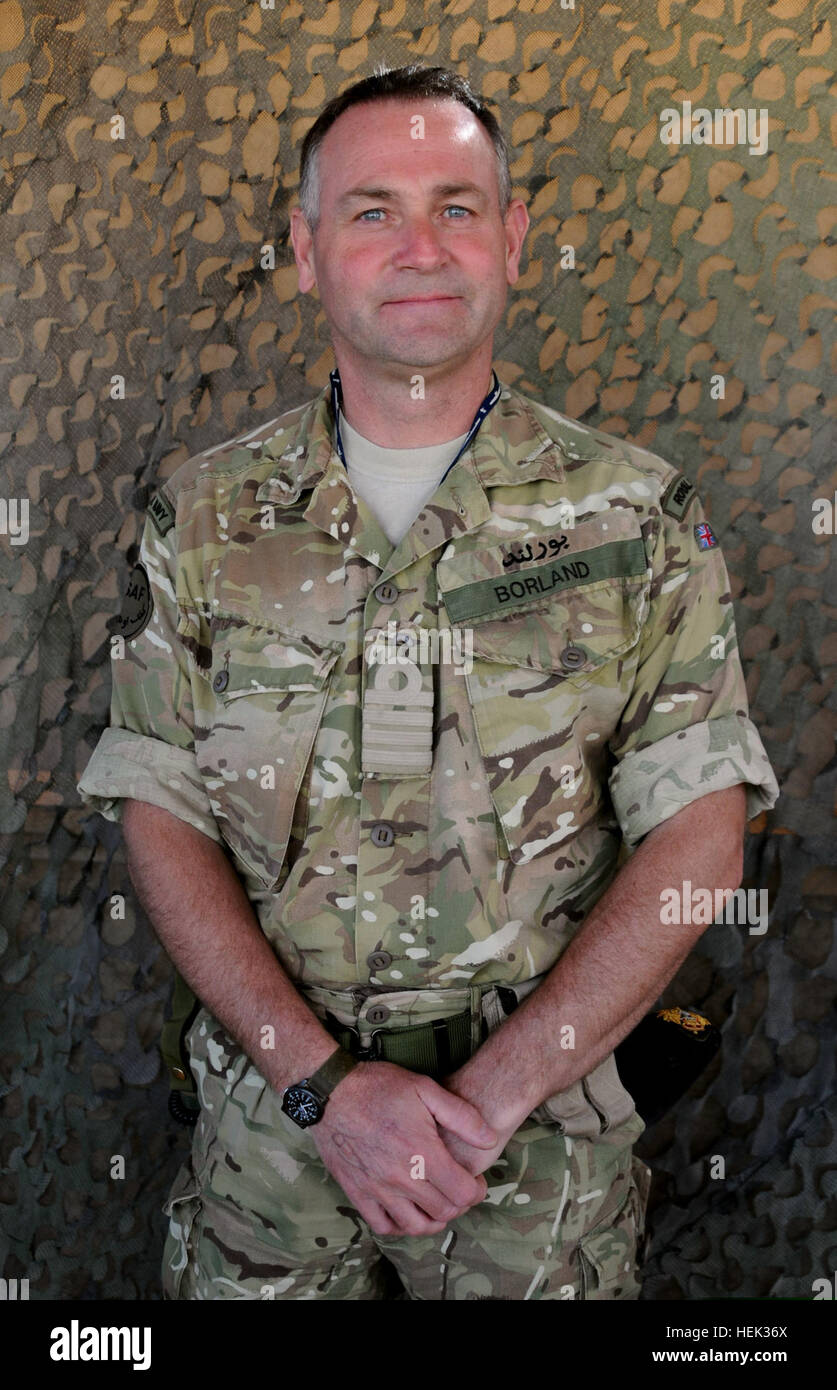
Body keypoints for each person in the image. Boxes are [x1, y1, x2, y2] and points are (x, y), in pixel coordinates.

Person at [77, 63, 780, 1301]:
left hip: (541, 1164)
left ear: (512, 241)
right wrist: (323, 1086)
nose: (420, 247)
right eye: (371, 210)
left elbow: (701, 838)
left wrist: (497, 1093)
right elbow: (160, 807)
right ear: (303, 251)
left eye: (458, 207)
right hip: (274, 1148)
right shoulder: (201, 523)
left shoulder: (636, 517)